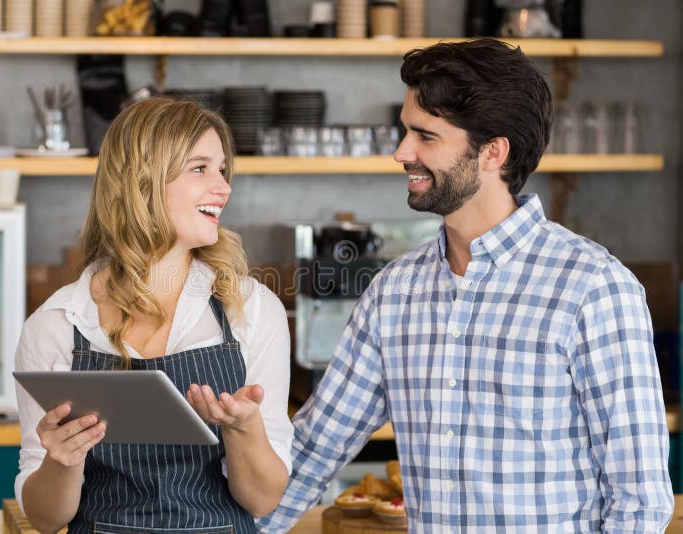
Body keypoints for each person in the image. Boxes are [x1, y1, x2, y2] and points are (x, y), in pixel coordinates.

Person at [259, 38, 673, 532]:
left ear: (493, 152)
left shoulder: (592, 288)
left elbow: (639, 501)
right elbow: (313, 450)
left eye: (425, 136)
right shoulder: (394, 292)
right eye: (404, 132)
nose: (401, 152)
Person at [14, 96, 293, 534]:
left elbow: (262, 499)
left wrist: (244, 429)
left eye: (222, 169)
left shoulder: (252, 310)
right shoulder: (56, 325)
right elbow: (46, 519)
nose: (223, 187)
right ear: (139, 181)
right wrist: (61, 460)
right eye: (199, 168)